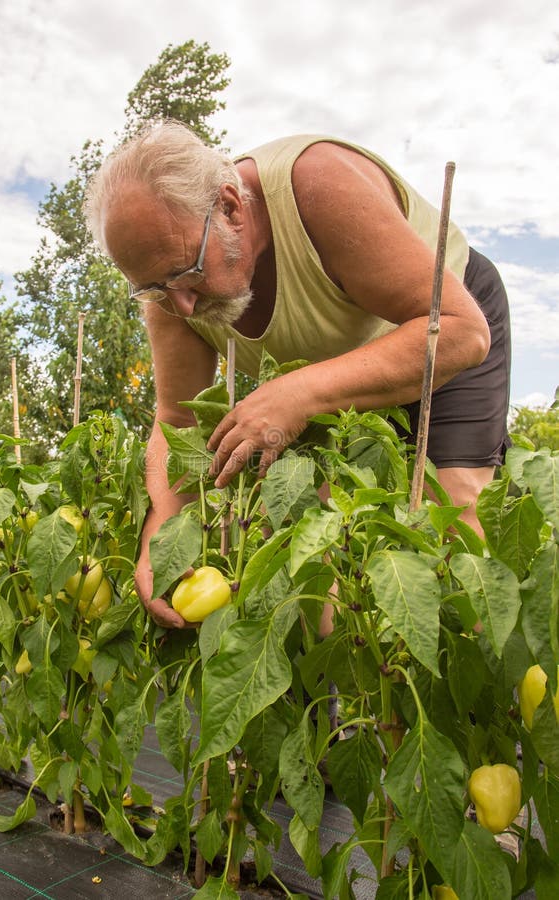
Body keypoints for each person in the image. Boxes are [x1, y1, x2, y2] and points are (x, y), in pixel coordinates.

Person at [84, 121, 511, 629]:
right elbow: (178, 419)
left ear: (230, 207)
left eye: (186, 271)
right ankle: (349, 693)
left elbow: (462, 333)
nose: (183, 303)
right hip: (323, 374)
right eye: (154, 288)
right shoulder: (171, 292)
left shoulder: (317, 184)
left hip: (437, 324)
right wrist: (165, 529)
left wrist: (299, 391)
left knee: (453, 511)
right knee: (309, 541)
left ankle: (468, 690)